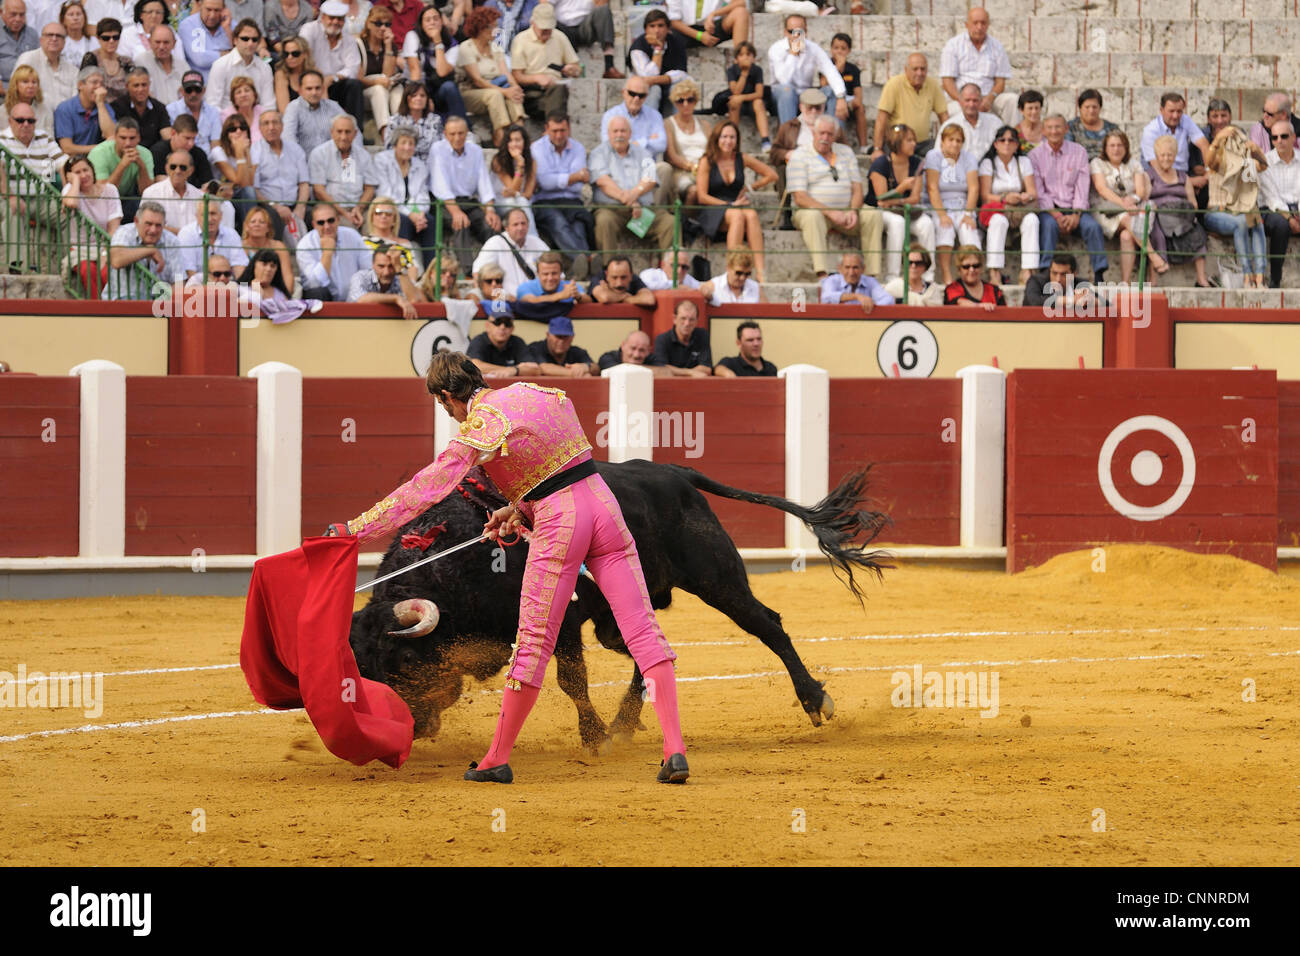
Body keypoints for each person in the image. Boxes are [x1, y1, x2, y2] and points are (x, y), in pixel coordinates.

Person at [326, 351, 690, 785]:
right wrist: (518, 509)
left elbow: (426, 489)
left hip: (562, 524)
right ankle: (675, 751)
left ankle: (497, 757)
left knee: (534, 641)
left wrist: (354, 529)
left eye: (446, 407)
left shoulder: (481, 424)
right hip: (604, 509)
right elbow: (556, 466)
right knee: (644, 631)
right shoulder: (538, 391)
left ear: (448, 397)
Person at [789, 114, 882, 280]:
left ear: (835, 136)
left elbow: (857, 189)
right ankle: (822, 273)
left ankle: (872, 275)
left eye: (829, 134)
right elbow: (800, 197)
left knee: (873, 215)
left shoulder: (845, 152)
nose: (825, 138)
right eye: (821, 133)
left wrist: (853, 211)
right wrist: (831, 212)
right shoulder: (799, 155)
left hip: (846, 209)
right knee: (812, 216)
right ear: (813, 133)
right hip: (813, 210)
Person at [589, 114, 674, 265]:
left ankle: (670, 272)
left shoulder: (643, 153)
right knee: (603, 220)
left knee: (670, 222)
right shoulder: (598, 153)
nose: (619, 135)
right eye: (615, 131)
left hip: (641, 211)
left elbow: (650, 178)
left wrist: (634, 195)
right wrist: (629, 201)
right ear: (608, 134)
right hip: (612, 210)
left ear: (630, 133)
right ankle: (609, 271)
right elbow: (604, 182)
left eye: (623, 131)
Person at [1032, 114, 1108, 282]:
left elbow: (1082, 186)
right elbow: (1040, 192)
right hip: (1049, 210)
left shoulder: (1078, 151)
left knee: (1093, 228)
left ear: (1066, 129)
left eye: (1058, 127)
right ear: (1043, 131)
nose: (1054, 131)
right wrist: (1057, 215)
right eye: (1050, 127)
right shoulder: (1035, 155)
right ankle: (1045, 271)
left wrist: (1076, 214)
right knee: (1049, 226)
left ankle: (1099, 273)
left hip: (1075, 208)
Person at [429, 114, 500, 274]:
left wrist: (490, 210)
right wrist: (455, 211)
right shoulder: (438, 149)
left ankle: (495, 270)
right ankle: (470, 272)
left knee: (491, 225)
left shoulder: (475, 150)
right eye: (452, 134)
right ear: (445, 135)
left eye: (461, 133)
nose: (457, 137)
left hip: (468, 201)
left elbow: (484, 182)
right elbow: (441, 185)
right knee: (461, 224)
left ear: (467, 133)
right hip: (443, 203)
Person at [0, 99, 64, 272]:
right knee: (12, 212)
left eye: (31, 121)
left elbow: (62, 164)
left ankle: (73, 259)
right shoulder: (2, 140)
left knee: (68, 213)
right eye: (20, 120)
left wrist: (67, 191)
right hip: (10, 198)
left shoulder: (44, 137)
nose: (26, 124)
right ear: (10, 121)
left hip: (43, 198)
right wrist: (11, 196)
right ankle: (17, 265)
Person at [1202, 124, 1268, 288]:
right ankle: (1247, 274)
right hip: (1217, 212)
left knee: (1256, 218)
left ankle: (1259, 275)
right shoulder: (1219, 160)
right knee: (1242, 222)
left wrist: (1256, 151)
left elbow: (1263, 166)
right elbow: (1208, 161)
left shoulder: (1246, 163)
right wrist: (1218, 139)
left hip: (1239, 211)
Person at [868, 122, 935, 283]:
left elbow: (915, 198)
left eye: (914, 140)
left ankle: (928, 276)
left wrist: (896, 200)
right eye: (909, 140)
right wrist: (901, 188)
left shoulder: (916, 163)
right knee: (897, 223)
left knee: (926, 224)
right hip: (879, 212)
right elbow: (881, 199)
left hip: (905, 209)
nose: (914, 144)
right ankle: (893, 276)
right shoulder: (881, 164)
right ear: (897, 143)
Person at [1088, 129, 1155, 285]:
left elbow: (1140, 190)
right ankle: (1152, 254)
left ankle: (1125, 282)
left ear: (1126, 147)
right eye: (1112, 145)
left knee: (1126, 236)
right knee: (1126, 217)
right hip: (1105, 210)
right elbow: (1101, 189)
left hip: (1130, 209)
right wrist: (1124, 204)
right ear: (1105, 148)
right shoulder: (1097, 163)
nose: (1116, 149)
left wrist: (1133, 199)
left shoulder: (1134, 164)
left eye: (1120, 145)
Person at [1145, 132, 1211, 287]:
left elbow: (1193, 202)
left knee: (1197, 233)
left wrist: (1185, 214)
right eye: (1162, 155)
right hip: (1159, 215)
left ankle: (1201, 278)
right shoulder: (1149, 175)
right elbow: (1145, 199)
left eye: (1170, 155)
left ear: (1175, 156)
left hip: (1181, 215)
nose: (1166, 158)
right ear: (1156, 155)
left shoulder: (1184, 177)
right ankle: (1153, 278)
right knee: (1155, 232)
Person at [977, 125, 1038, 286]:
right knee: (998, 221)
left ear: (1017, 144)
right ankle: (994, 271)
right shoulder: (988, 163)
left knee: (1032, 219)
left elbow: (1033, 191)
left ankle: (1028, 270)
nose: (1006, 143)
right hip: (998, 208)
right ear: (995, 144)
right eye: (1002, 140)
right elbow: (985, 196)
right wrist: (1005, 198)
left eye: (1011, 140)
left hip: (1019, 210)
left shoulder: (1023, 161)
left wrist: (1025, 196)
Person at [457, 6, 523, 148]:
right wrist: (505, 91)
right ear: (481, 28)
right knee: (496, 95)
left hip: (496, 88)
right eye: (493, 27)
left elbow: (506, 73)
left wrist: (516, 88)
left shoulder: (495, 47)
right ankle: (500, 135)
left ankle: (520, 131)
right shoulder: (466, 47)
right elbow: (477, 80)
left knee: (513, 94)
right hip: (471, 92)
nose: (496, 31)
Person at [938, 6, 1016, 126]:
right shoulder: (953, 45)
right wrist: (965, 101)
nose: (979, 27)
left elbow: (1000, 82)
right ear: (967, 24)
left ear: (988, 25)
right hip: (960, 98)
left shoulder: (997, 47)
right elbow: (947, 81)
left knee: (1012, 101)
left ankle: (1012, 140)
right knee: (958, 111)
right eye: (975, 23)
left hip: (988, 96)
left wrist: (989, 99)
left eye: (983, 23)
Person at [924, 122, 980, 285]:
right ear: (942, 141)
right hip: (940, 204)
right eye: (951, 140)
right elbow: (932, 187)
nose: (955, 144)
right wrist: (942, 214)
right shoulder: (933, 156)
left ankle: (972, 276)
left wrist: (969, 214)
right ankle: (947, 275)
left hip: (963, 205)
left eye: (958, 140)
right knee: (945, 229)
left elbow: (973, 188)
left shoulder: (969, 157)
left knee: (969, 232)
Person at [767, 13, 844, 127]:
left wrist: (841, 96)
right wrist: (793, 53)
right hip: (781, 95)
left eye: (799, 32)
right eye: (791, 31)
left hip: (805, 94)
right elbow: (784, 80)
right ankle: (789, 138)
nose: (795, 35)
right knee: (787, 90)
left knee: (832, 92)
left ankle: (835, 137)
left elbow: (830, 70)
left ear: (806, 32)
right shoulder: (776, 49)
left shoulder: (813, 48)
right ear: (785, 32)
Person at [61, 153, 121, 295]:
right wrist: (74, 183)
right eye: (77, 172)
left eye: (85, 170)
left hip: (105, 245)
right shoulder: (70, 191)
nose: (83, 175)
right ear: (70, 177)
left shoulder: (110, 190)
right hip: (79, 248)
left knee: (107, 273)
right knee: (88, 271)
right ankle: (99, 310)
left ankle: (114, 307)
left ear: (92, 170)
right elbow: (71, 203)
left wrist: (106, 252)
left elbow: (114, 227)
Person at [300, 0, 364, 128]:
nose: (335, 22)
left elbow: (353, 68)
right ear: (322, 17)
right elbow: (304, 57)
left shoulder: (348, 39)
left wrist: (333, 78)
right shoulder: (310, 29)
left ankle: (356, 131)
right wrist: (320, 79)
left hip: (336, 82)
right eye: (332, 18)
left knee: (355, 85)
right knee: (313, 85)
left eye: (340, 19)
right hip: (312, 80)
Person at [309, 113, 378, 229]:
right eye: (339, 131)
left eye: (348, 132)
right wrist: (343, 213)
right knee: (347, 227)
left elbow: (369, 189)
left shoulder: (364, 155)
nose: (343, 137)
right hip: (331, 208)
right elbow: (319, 191)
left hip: (360, 208)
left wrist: (358, 209)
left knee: (376, 226)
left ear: (355, 134)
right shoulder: (319, 153)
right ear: (331, 132)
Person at [508, 4, 576, 121]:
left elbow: (576, 67)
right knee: (557, 102)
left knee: (558, 91)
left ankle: (553, 129)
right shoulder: (521, 40)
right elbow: (516, 75)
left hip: (555, 89)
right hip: (532, 93)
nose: (547, 33)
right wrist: (536, 78)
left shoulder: (559, 37)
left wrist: (572, 69)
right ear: (533, 23)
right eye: (543, 29)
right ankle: (557, 127)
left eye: (549, 29)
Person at [250, 108, 308, 242]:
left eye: (275, 123)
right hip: (269, 205)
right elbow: (255, 190)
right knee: (272, 217)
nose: (271, 127)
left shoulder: (295, 149)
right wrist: (276, 206)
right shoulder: (254, 152)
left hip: (295, 204)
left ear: (282, 126)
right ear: (259, 128)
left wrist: (300, 206)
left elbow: (304, 183)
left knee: (318, 215)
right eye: (266, 123)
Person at [375, 123, 434, 253]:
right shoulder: (382, 161)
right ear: (395, 145)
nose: (407, 147)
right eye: (403, 143)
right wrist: (410, 214)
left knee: (429, 221)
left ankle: (432, 267)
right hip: (389, 208)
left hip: (413, 211)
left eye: (411, 143)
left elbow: (422, 196)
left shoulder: (420, 166)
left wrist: (420, 215)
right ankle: (401, 265)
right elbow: (386, 195)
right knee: (403, 220)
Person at [107, 198, 183, 297]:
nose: (153, 230)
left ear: (165, 224)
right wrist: (150, 251)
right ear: (136, 221)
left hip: (159, 301)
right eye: (148, 224)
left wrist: (163, 302)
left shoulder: (172, 241)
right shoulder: (125, 232)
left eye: (158, 225)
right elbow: (117, 260)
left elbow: (178, 283)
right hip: (123, 299)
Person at [874, 52, 945, 156]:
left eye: (923, 69)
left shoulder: (933, 84)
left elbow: (944, 116)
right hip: (898, 142)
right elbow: (881, 119)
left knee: (944, 152)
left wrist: (948, 140)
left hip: (922, 143)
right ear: (906, 69)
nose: (919, 73)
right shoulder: (894, 84)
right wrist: (877, 148)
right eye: (915, 69)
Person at [296, 199, 369, 299]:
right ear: (314, 225)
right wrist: (327, 253)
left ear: (338, 220)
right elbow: (314, 284)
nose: (327, 226)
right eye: (321, 222)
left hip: (354, 298)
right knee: (317, 292)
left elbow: (367, 270)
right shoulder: (305, 245)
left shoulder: (352, 236)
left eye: (331, 220)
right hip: (323, 301)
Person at [401, 3, 463, 122]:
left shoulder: (452, 43)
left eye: (436, 19)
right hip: (416, 86)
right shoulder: (413, 36)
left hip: (439, 89)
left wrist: (438, 42)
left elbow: (442, 71)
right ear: (421, 24)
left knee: (450, 87)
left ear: (442, 22)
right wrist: (422, 96)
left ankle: (464, 128)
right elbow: (415, 71)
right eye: (427, 20)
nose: (432, 23)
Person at [1139, 92, 1210, 194]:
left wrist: (1208, 172)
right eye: (1171, 111)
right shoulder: (1150, 130)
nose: (1175, 116)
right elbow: (1156, 167)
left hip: (1184, 174)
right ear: (1161, 110)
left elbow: (1204, 144)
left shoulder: (1185, 120)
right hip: (1158, 178)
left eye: (1179, 111)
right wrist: (1189, 182)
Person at [1259, 118, 1300, 289]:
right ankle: (1276, 279)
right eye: (1274, 137)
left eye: (1284, 136)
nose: (1279, 141)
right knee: (1281, 225)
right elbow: (1271, 198)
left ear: (1293, 137)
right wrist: (1291, 218)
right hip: (1271, 209)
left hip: (1296, 207)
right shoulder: (1264, 161)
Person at [88, 114, 154, 218]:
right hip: (100, 202)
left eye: (132, 138)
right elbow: (103, 193)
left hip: (128, 199)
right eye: (123, 138)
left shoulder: (145, 154)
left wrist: (142, 166)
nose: (128, 143)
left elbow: (147, 192)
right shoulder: (99, 153)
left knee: (145, 207)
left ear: (139, 138)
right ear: (114, 137)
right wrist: (122, 165)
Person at [472, 206, 547, 297]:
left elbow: (557, 271)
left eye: (523, 223)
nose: (520, 228)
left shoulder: (536, 242)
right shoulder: (495, 243)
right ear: (506, 227)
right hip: (506, 300)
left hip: (534, 300)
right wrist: (497, 297)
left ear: (528, 225)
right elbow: (477, 274)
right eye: (515, 224)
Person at [237, 246, 323, 323]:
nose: (268, 269)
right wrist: (257, 293)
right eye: (264, 264)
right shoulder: (240, 289)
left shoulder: (281, 293)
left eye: (272, 266)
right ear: (254, 266)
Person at [711, 39, 769, 150]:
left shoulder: (757, 70)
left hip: (752, 104)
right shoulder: (732, 70)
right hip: (738, 106)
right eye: (741, 55)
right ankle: (734, 139)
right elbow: (735, 91)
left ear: (754, 57)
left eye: (748, 54)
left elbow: (759, 93)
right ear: (736, 59)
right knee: (734, 102)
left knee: (758, 102)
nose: (746, 57)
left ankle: (765, 140)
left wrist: (742, 97)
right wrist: (744, 74)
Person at [629, 8, 687, 117]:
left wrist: (662, 79)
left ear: (667, 28)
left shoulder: (676, 42)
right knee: (654, 90)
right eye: (652, 26)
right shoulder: (638, 47)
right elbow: (648, 75)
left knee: (679, 89)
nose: (656, 30)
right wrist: (658, 49)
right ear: (646, 29)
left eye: (660, 26)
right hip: (644, 88)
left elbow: (682, 73)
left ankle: (677, 127)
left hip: (668, 84)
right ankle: (649, 127)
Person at [206, 17, 273, 112]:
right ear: (235, 40)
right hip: (227, 122)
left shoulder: (265, 68)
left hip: (257, 122)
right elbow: (213, 105)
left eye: (254, 39)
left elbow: (269, 105)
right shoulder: (220, 65)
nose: (250, 43)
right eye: (245, 39)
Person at [663, 77, 710, 204]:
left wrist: (704, 168)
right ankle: (685, 221)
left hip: (705, 170)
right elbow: (671, 156)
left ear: (695, 101)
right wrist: (693, 167)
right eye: (680, 100)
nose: (685, 104)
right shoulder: (668, 124)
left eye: (690, 100)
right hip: (682, 172)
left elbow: (712, 150)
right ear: (675, 103)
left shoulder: (704, 125)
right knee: (694, 191)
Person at [345, 241, 423, 317]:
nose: (386, 272)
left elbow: (414, 300)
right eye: (381, 266)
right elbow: (361, 299)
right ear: (372, 265)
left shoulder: (400, 277)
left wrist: (399, 268)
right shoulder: (361, 277)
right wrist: (395, 298)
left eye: (391, 266)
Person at [357, 6, 399, 140]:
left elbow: (387, 74)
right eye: (378, 23)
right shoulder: (358, 44)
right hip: (365, 91)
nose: (383, 28)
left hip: (385, 86)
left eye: (387, 24)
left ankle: (402, 131)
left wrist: (387, 46)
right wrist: (376, 82)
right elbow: (357, 79)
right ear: (368, 24)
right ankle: (386, 135)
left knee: (399, 90)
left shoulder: (390, 45)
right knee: (378, 90)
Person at [140, 146, 205, 233]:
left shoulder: (199, 196)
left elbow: (203, 227)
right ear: (166, 168)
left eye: (183, 167)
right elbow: (146, 225)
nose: (178, 171)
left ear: (191, 170)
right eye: (173, 167)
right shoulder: (152, 193)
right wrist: (184, 234)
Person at [177, 197, 248, 277]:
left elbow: (240, 267)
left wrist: (243, 288)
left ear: (221, 215)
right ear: (197, 216)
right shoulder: (186, 234)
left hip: (228, 285)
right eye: (204, 214)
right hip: (197, 286)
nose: (210, 219)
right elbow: (190, 273)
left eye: (213, 213)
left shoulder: (231, 234)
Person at [54, 64, 116, 156]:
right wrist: (100, 147)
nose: (99, 87)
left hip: (96, 158)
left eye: (102, 84)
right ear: (80, 85)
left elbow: (111, 136)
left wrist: (100, 104)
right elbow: (67, 148)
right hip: (72, 160)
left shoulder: (105, 107)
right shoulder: (65, 108)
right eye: (94, 82)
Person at [551, 0, 620, 80]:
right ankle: (560, 68)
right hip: (561, 27)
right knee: (548, 20)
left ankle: (609, 66)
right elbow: (545, 5)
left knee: (604, 10)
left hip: (586, 27)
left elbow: (601, 3)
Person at [514, 249, 590, 322]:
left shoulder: (569, 286)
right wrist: (561, 295)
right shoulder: (525, 287)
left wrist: (578, 296)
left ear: (561, 273)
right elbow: (532, 301)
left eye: (554, 273)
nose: (550, 278)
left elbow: (589, 301)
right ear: (538, 273)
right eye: (545, 274)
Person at [281, 69, 343, 156]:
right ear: (300, 91)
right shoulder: (293, 108)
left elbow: (353, 130)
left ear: (323, 89)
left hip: (331, 162)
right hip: (304, 163)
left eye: (317, 88)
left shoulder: (333, 106)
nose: (314, 92)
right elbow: (288, 139)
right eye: (309, 89)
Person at [15, 18, 76, 107]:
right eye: (49, 35)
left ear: (64, 42)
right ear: (41, 40)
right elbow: (16, 92)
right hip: (34, 117)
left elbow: (75, 102)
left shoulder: (72, 71)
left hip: (64, 119)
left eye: (58, 36)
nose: (54, 39)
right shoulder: (28, 59)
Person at [489, 122, 536, 234]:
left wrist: (516, 194)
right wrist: (520, 166)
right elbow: (514, 188)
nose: (514, 144)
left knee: (521, 201)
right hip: (500, 202)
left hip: (520, 200)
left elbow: (528, 194)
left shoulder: (532, 161)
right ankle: (535, 242)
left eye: (518, 140)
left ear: (524, 142)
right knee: (519, 202)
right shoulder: (498, 160)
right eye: (510, 140)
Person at [108, 66, 168, 150]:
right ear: (127, 86)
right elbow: (111, 136)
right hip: (125, 151)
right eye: (136, 86)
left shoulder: (159, 107)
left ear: (149, 85)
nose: (140, 89)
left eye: (144, 85)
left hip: (153, 155)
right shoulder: (117, 106)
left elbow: (167, 135)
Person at [827, 32, 868, 154]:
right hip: (830, 102)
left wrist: (849, 104)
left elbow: (858, 95)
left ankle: (863, 145)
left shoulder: (853, 70)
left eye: (843, 48)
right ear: (831, 50)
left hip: (848, 102)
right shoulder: (827, 65)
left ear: (848, 51)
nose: (839, 51)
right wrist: (837, 69)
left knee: (860, 107)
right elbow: (824, 86)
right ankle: (838, 141)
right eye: (836, 48)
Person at [468, 309, 540, 377]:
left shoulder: (517, 342)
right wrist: (511, 369)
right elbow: (474, 366)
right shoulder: (479, 341)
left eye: (507, 323)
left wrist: (514, 370)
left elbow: (535, 370)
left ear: (512, 328)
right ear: (487, 326)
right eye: (497, 322)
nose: (502, 327)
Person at [1023, 252, 1106, 310]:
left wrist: (1091, 300)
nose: (1058, 279)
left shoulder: (1080, 284)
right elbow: (1034, 301)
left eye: (1063, 274)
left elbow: (1107, 304)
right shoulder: (1036, 281)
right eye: (1054, 273)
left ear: (1074, 274)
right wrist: (1071, 300)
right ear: (1049, 270)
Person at [361, 194, 420, 276]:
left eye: (388, 213)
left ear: (394, 219)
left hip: (401, 284)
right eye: (378, 213)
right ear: (371, 217)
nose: (383, 216)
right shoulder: (362, 242)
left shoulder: (405, 244)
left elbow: (413, 272)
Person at [941, 82, 999, 161]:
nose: (971, 104)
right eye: (967, 100)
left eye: (975, 100)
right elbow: (939, 155)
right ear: (960, 101)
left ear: (981, 101)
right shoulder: (950, 125)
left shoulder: (995, 122)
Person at [652, 299, 711, 377]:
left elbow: (706, 369)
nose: (687, 323)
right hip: (671, 386)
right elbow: (661, 369)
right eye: (683, 318)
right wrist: (690, 372)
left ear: (697, 321)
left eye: (691, 319)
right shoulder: (662, 339)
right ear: (674, 319)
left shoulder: (702, 335)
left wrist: (676, 371)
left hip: (696, 385)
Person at [384, 80, 441, 160]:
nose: (418, 98)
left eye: (422, 96)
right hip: (402, 164)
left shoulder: (435, 120)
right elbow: (389, 147)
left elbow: (438, 146)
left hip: (429, 164)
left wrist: (405, 147)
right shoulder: (395, 121)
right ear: (407, 99)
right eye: (414, 95)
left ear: (427, 99)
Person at [175, 0, 229, 85]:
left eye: (217, 10)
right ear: (200, 6)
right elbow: (200, 59)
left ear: (224, 9)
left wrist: (227, 29)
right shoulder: (188, 25)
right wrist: (228, 54)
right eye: (208, 9)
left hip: (227, 86)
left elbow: (240, 56)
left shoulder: (229, 24)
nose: (212, 15)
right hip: (198, 89)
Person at [165, 69, 221, 148]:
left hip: (208, 157)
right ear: (182, 91)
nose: (193, 94)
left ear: (204, 90)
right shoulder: (171, 110)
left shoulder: (213, 112)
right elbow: (171, 141)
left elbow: (216, 142)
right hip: (181, 153)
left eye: (197, 90)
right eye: (189, 90)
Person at [819, 251, 892, 311]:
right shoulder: (832, 280)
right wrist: (857, 296)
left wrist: (872, 305)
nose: (851, 273)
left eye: (855, 267)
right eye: (847, 267)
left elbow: (888, 299)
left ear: (863, 269)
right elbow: (826, 297)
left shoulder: (870, 281)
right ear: (840, 268)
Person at [527, 314, 597, 376]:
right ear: (548, 335)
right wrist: (575, 373)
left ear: (572, 337)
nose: (561, 341)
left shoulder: (577, 351)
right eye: (558, 336)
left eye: (566, 336)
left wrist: (586, 367)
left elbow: (596, 368)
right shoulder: (535, 348)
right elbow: (543, 368)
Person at [666, 0, 748, 53]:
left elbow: (741, 2)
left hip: (712, 28)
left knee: (741, 12)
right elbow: (673, 21)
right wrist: (700, 36)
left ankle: (741, 59)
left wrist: (714, 14)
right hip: (686, 31)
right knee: (661, 31)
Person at [135, 23, 187, 104]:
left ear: (174, 44)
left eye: (166, 42)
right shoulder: (141, 62)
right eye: (157, 42)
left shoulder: (183, 66)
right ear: (149, 42)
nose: (161, 47)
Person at [240, 202, 293, 279]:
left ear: (268, 227)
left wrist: (285, 291)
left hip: (274, 287)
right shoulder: (241, 247)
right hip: (249, 287)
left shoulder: (278, 247)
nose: (257, 225)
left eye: (262, 222)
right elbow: (242, 278)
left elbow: (287, 275)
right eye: (253, 222)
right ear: (246, 227)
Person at [944, 244, 1004, 309]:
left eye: (976, 266)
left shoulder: (994, 291)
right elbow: (960, 302)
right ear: (959, 269)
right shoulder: (952, 288)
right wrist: (980, 307)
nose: (971, 270)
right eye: (966, 267)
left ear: (981, 267)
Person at [1066, 88, 1117, 162]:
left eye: (1094, 107)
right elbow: (1068, 152)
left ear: (1100, 108)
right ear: (1080, 108)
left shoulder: (1111, 128)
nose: (1091, 111)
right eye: (1087, 107)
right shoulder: (1071, 127)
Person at [0, 0, 38, 97]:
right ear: (1, 12)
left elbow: (39, 62)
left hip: (29, 91)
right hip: (3, 90)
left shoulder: (32, 34)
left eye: (22, 15)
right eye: (13, 14)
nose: (18, 19)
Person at [589, 253, 655, 306]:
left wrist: (615, 297)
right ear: (607, 275)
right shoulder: (599, 277)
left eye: (623, 277)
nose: (619, 283)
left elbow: (649, 299)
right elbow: (604, 297)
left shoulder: (634, 279)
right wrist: (625, 296)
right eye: (614, 278)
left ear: (631, 275)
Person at [0, 63, 50, 131]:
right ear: (16, 85)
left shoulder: (44, 109)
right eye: (25, 82)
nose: (30, 86)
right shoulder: (3, 111)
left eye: (34, 82)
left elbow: (49, 138)